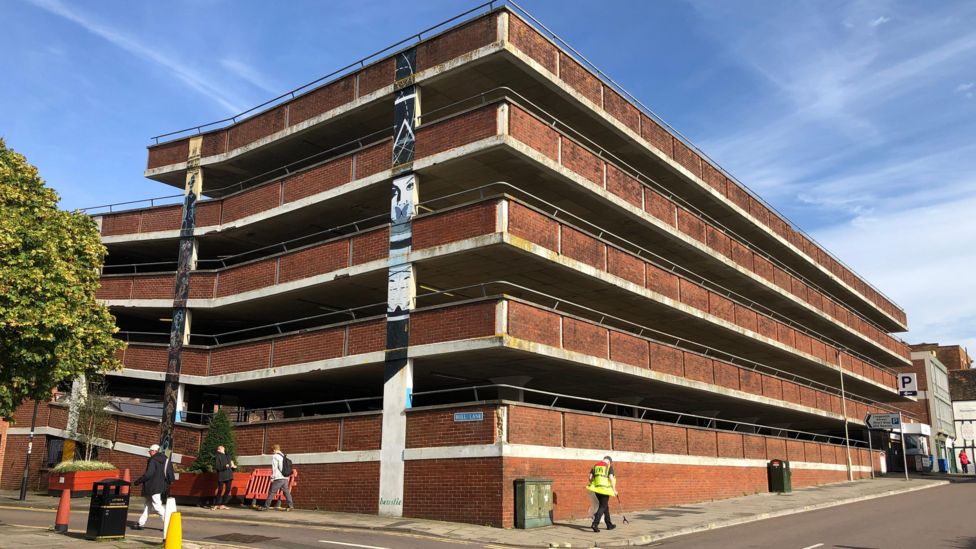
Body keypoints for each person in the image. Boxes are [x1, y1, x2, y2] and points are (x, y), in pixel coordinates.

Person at [132, 444, 175, 530]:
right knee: (148, 505)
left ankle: (170, 524)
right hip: (159, 485)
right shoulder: (165, 459)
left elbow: (149, 474)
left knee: (157, 506)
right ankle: (141, 523)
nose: (149, 452)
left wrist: (138, 481)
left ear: (154, 451)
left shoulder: (153, 460)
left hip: (152, 486)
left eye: (150, 451)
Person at [585, 455, 617, 532]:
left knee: (605, 506)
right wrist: (614, 490)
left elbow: (590, 478)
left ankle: (609, 524)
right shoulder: (608, 467)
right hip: (605, 490)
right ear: (609, 461)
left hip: (597, 489)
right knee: (603, 506)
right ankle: (595, 523)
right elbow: (611, 478)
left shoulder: (595, 466)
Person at [258, 444, 293, 511]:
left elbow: (275, 468)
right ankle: (290, 505)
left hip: (278, 477)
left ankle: (266, 506)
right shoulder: (283, 455)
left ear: (274, 449)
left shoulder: (275, 456)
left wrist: (272, 478)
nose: (272, 452)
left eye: (272, 450)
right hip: (285, 477)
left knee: (272, 492)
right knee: (286, 492)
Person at [213, 445, 237, 510]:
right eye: (220, 447)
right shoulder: (218, 456)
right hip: (222, 475)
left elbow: (230, 462)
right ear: (218, 450)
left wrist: (233, 465)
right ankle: (216, 504)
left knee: (228, 489)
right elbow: (217, 467)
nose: (222, 447)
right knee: (220, 490)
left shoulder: (228, 455)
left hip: (229, 475)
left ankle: (223, 504)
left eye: (222, 447)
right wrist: (224, 466)